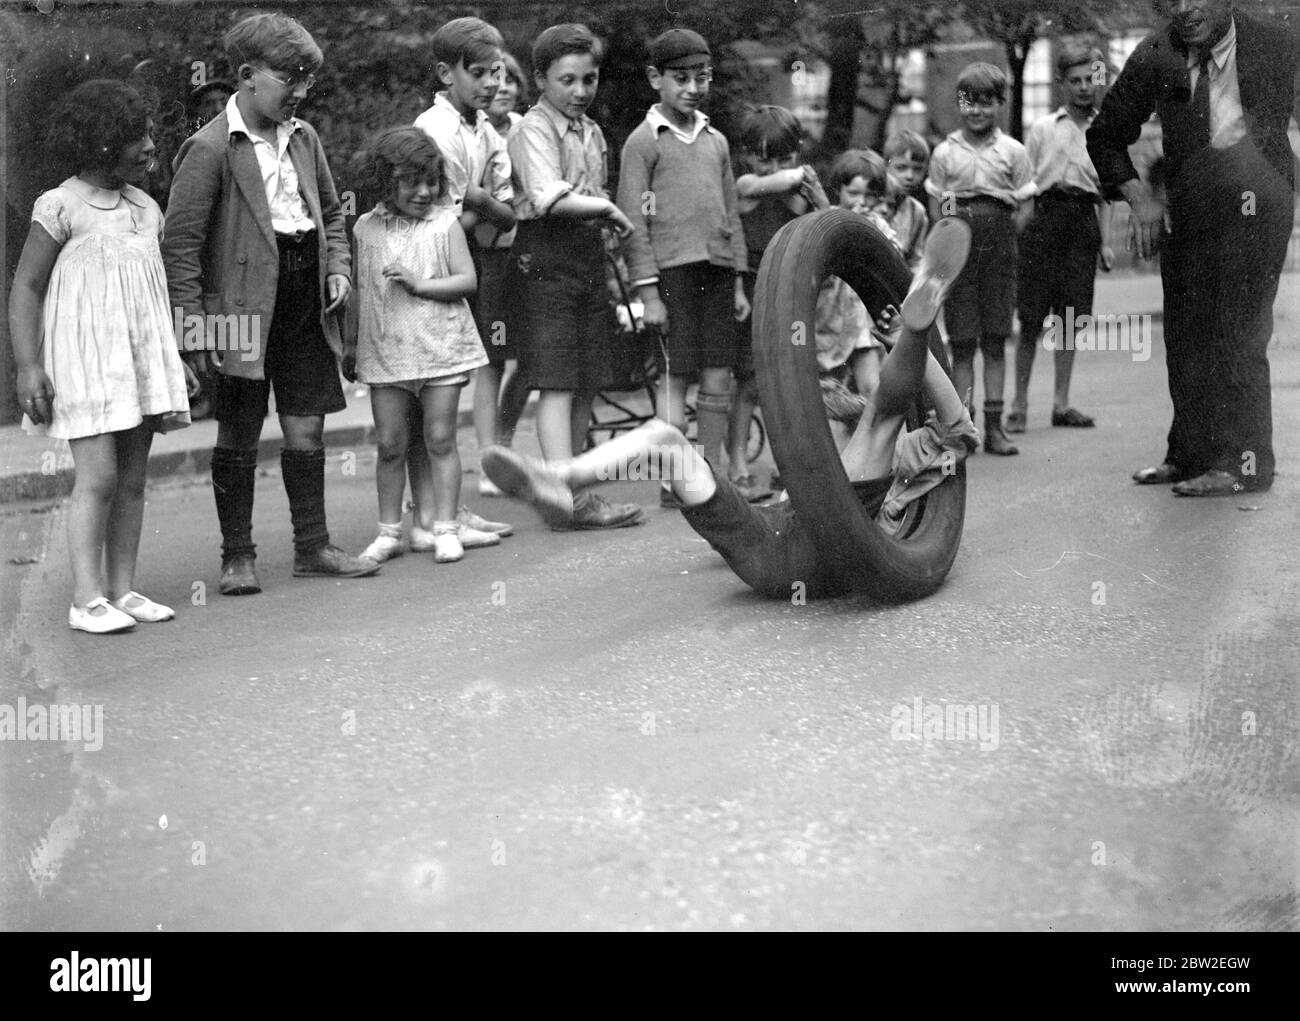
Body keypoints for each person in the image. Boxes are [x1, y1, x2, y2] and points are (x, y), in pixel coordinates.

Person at [483, 217, 978, 599]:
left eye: (822, 430)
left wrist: (918, 346)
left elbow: (957, 432)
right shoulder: (807, 475)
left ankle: (917, 323)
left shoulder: (893, 450)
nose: (805, 446)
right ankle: (559, 477)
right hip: (768, 547)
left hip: (830, 552)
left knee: (882, 418)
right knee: (665, 441)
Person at [163, 12, 379, 594]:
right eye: (293, 80)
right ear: (247, 75)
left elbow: (331, 215)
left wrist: (336, 269)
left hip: (304, 294)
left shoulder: (305, 138)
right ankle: (238, 557)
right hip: (236, 308)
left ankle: (313, 547)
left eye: (309, 81)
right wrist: (194, 333)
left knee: (306, 427)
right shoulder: (209, 148)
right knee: (237, 431)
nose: (302, 93)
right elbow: (180, 248)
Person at [1087, 0, 1296, 496]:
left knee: (1239, 331)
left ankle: (1244, 466)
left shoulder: (1278, 42)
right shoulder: (1156, 53)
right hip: (1192, 205)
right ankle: (1188, 457)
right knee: (1185, 336)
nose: (1184, 10)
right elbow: (1105, 135)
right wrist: (1140, 200)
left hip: (1257, 201)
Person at [8, 81, 195, 633]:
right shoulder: (60, 205)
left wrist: (173, 355)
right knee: (100, 478)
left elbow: (149, 295)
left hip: (136, 366)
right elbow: (26, 288)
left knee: (134, 478)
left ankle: (122, 589)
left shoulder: (146, 208)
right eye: (138, 137)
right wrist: (28, 365)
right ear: (101, 141)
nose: (151, 146)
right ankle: (85, 598)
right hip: (85, 366)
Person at [505, 22, 642, 529]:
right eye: (567, 80)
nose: (581, 91)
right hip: (544, 257)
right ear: (541, 79)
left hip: (587, 255)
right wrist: (608, 211)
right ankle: (564, 494)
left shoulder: (592, 132)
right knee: (558, 382)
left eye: (589, 79)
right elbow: (547, 197)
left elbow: (595, 192)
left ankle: (576, 490)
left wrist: (607, 242)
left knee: (588, 379)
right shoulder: (530, 129)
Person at [344, 127, 502, 564]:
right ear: (385, 180)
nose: (424, 191)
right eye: (411, 181)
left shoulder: (444, 223)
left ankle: (444, 526)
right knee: (391, 444)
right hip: (387, 353)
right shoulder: (365, 229)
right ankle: (390, 531)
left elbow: (467, 280)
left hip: (439, 349)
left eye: (431, 181)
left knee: (439, 438)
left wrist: (420, 284)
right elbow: (359, 290)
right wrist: (352, 344)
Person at [616, 28, 750, 508]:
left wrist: (737, 280)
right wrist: (648, 293)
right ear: (656, 79)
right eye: (681, 78)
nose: (693, 88)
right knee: (676, 375)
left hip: (716, 272)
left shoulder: (716, 141)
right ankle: (675, 479)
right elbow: (633, 218)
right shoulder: (644, 142)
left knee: (719, 373)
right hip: (671, 276)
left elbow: (731, 213)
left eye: (702, 77)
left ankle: (709, 473)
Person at [413, 17, 521, 521]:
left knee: (456, 377)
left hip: (464, 255)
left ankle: (445, 507)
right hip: (428, 264)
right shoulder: (436, 130)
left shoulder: (483, 128)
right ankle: (430, 510)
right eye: (477, 73)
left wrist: (483, 203)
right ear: (445, 73)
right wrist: (484, 206)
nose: (491, 83)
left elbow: (500, 205)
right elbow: (450, 217)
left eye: (496, 72)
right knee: (433, 387)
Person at [925, 62, 1035, 456]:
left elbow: (1026, 205)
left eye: (986, 104)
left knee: (995, 339)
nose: (977, 111)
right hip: (960, 251)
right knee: (963, 340)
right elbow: (938, 203)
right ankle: (961, 428)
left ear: (999, 105)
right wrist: (951, 244)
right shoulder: (944, 153)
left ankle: (995, 427)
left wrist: (1003, 238)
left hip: (999, 250)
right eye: (969, 103)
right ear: (959, 105)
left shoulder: (1013, 151)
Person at [1009, 43, 1113, 434]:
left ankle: (1061, 403)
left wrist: (1103, 242)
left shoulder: (1106, 130)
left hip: (1082, 223)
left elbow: (1107, 193)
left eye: (1090, 80)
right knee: (1031, 317)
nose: (1084, 87)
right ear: (1061, 84)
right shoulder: (1042, 129)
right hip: (1043, 221)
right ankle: (1017, 405)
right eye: (1075, 81)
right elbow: (1025, 188)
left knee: (1069, 319)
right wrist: (1017, 237)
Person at [731, 103, 828, 501]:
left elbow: (830, 219)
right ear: (749, 155)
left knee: (787, 383)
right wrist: (796, 175)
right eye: (763, 158)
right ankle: (736, 461)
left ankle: (781, 463)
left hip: (789, 291)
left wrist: (818, 193)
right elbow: (760, 186)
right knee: (750, 383)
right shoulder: (746, 185)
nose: (773, 168)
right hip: (753, 291)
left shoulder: (802, 189)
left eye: (784, 158)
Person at [815, 149, 903, 399]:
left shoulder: (878, 225)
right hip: (829, 320)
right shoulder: (826, 218)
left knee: (871, 389)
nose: (861, 202)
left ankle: (869, 435)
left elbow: (894, 257)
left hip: (863, 323)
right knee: (829, 389)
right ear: (838, 190)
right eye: (853, 193)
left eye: (870, 196)